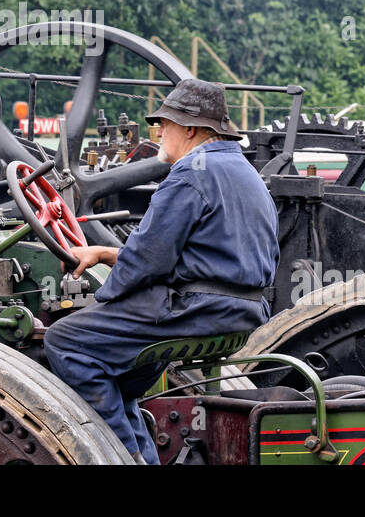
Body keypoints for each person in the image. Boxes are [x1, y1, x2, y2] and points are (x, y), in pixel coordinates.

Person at [42, 77, 279, 464]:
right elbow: (194, 257)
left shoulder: (189, 174)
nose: (159, 133)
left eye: (164, 125)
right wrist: (104, 253)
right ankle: (142, 456)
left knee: (67, 339)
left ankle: (117, 457)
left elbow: (149, 259)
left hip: (194, 310)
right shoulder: (246, 174)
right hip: (241, 312)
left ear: (189, 129)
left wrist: (100, 302)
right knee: (119, 379)